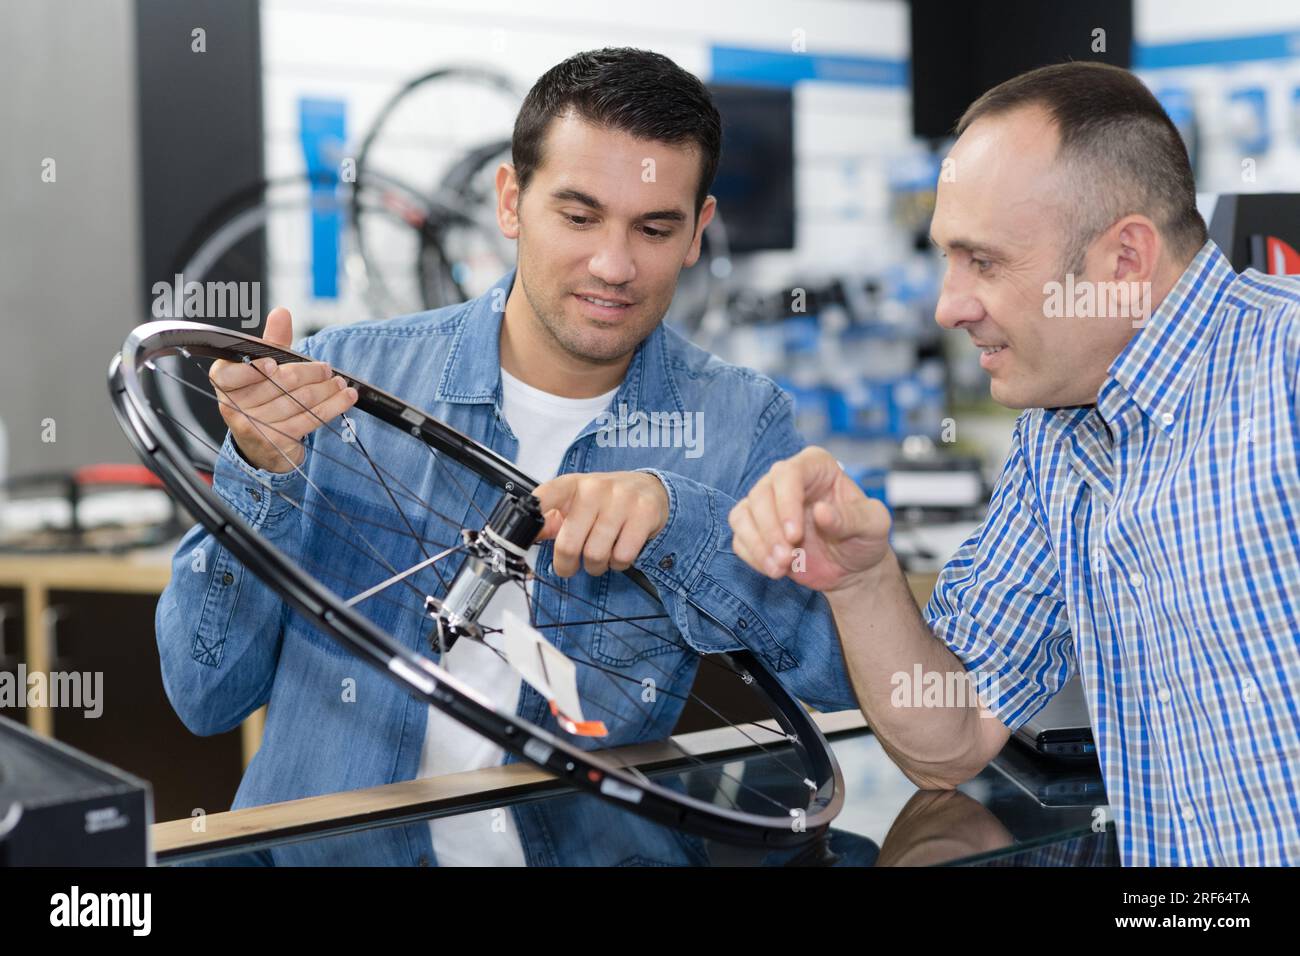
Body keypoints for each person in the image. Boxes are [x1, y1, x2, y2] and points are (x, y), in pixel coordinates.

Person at [155, 47, 854, 867]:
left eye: (654, 227)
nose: (613, 266)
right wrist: (257, 476)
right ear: (511, 201)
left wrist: (681, 522)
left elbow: (841, 681)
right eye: (579, 215)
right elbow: (203, 695)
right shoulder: (340, 382)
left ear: (699, 232)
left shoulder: (737, 423)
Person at [730, 61, 1300, 866]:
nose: (948, 305)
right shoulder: (1056, 437)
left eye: (985, 262)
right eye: (947, 260)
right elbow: (952, 736)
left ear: (1125, 263)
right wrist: (861, 577)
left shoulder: (1286, 371)